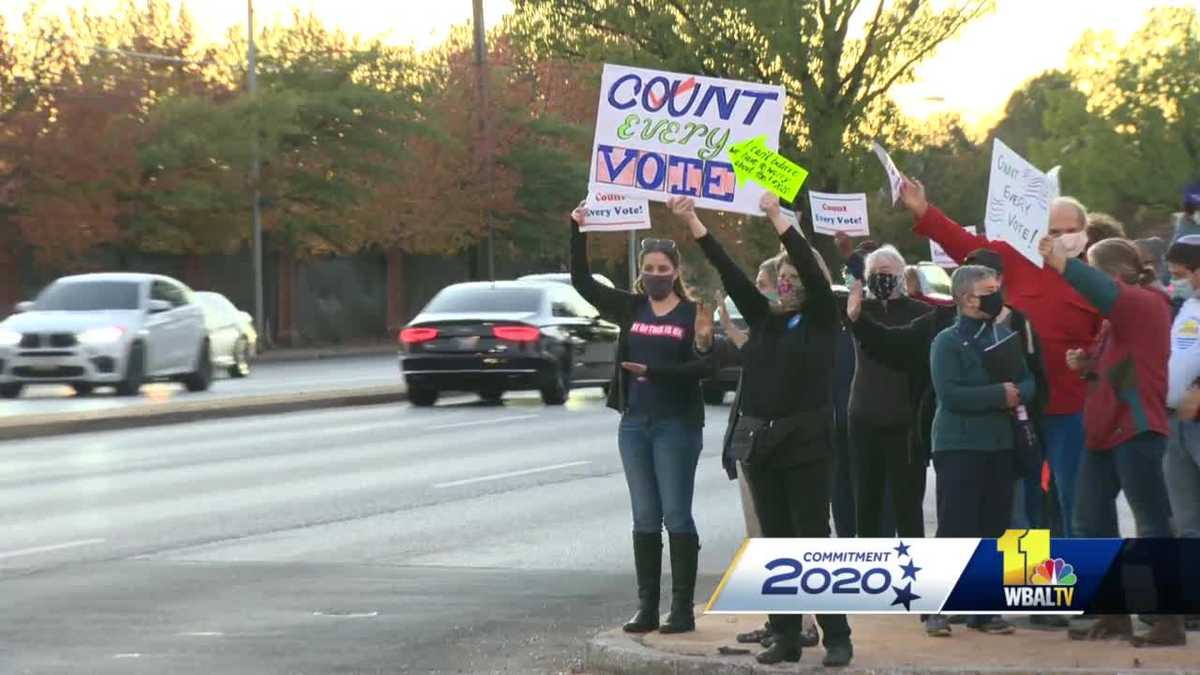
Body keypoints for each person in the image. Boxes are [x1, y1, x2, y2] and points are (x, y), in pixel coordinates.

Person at [684, 192, 853, 668]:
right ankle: (784, 632)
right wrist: (694, 222)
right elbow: (732, 273)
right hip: (762, 443)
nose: (786, 282)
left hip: (806, 443)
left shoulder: (821, 318)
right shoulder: (764, 320)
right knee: (775, 543)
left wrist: (779, 218)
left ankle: (837, 633)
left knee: (811, 541)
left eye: (794, 276)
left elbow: (810, 269)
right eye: (781, 277)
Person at [902, 179, 1102, 538]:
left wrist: (1091, 361)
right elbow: (966, 246)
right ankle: (1024, 584)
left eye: (1072, 231)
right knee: (1022, 510)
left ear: (1085, 233)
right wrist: (922, 210)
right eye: (1054, 231)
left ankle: (1079, 580)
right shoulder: (1017, 259)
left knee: (1074, 503)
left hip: (1069, 412)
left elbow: (1114, 338)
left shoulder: (1094, 279)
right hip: (1018, 412)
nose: (1063, 237)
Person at [570, 204, 714, 635]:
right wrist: (577, 230)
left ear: (675, 271)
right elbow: (582, 282)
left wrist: (655, 371)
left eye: (662, 267)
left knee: (676, 516)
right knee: (644, 517)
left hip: (677, 426)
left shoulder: (691, 315)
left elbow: (702, 369)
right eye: (648, 267)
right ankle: (647, 606)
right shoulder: (631, 308)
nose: (655, 274)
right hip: (635, 424)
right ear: (641, 272)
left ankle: (682, 608)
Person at [1037, 236, 1180, 644]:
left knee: (1152, 525)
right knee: (1089, 522)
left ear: (1114, 274)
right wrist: (1088, 364)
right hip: (1105, 431)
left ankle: (1168, 619)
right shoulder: (1119, 317)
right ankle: (1114, 613)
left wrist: (1064, 262)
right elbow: (1123, 368)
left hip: (1136, 429)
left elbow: (1098, 290)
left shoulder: (1143, 303)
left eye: (1094, 268)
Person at [926, 264, 1034, 638]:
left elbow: (1027, 378)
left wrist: (1019, 392)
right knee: (956, 526)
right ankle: (937, 608)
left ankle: (983, 610)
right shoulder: (947, 342)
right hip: (960, 445)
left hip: (999, 444)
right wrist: (998, 395)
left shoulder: (1004, 335)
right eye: (988, 290)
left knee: (993, 527)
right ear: (966, 298)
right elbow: (950, 394)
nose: (996, 295)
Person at [848, 246, 933, 538]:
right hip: (864, 419)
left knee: (908, 506)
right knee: (866, 503)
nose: (880, 279)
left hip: (905, 423)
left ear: (901, 275)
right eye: (874, 274)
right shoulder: (858, 311)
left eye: (886, 274)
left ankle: (915, 571)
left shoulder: (921, 314)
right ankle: (870, 570)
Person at [1165, 235, 1200, 541]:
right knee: (1187, 522)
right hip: (1175, 423)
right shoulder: (1186, 305)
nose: (1174, 282)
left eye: (1179, 275)